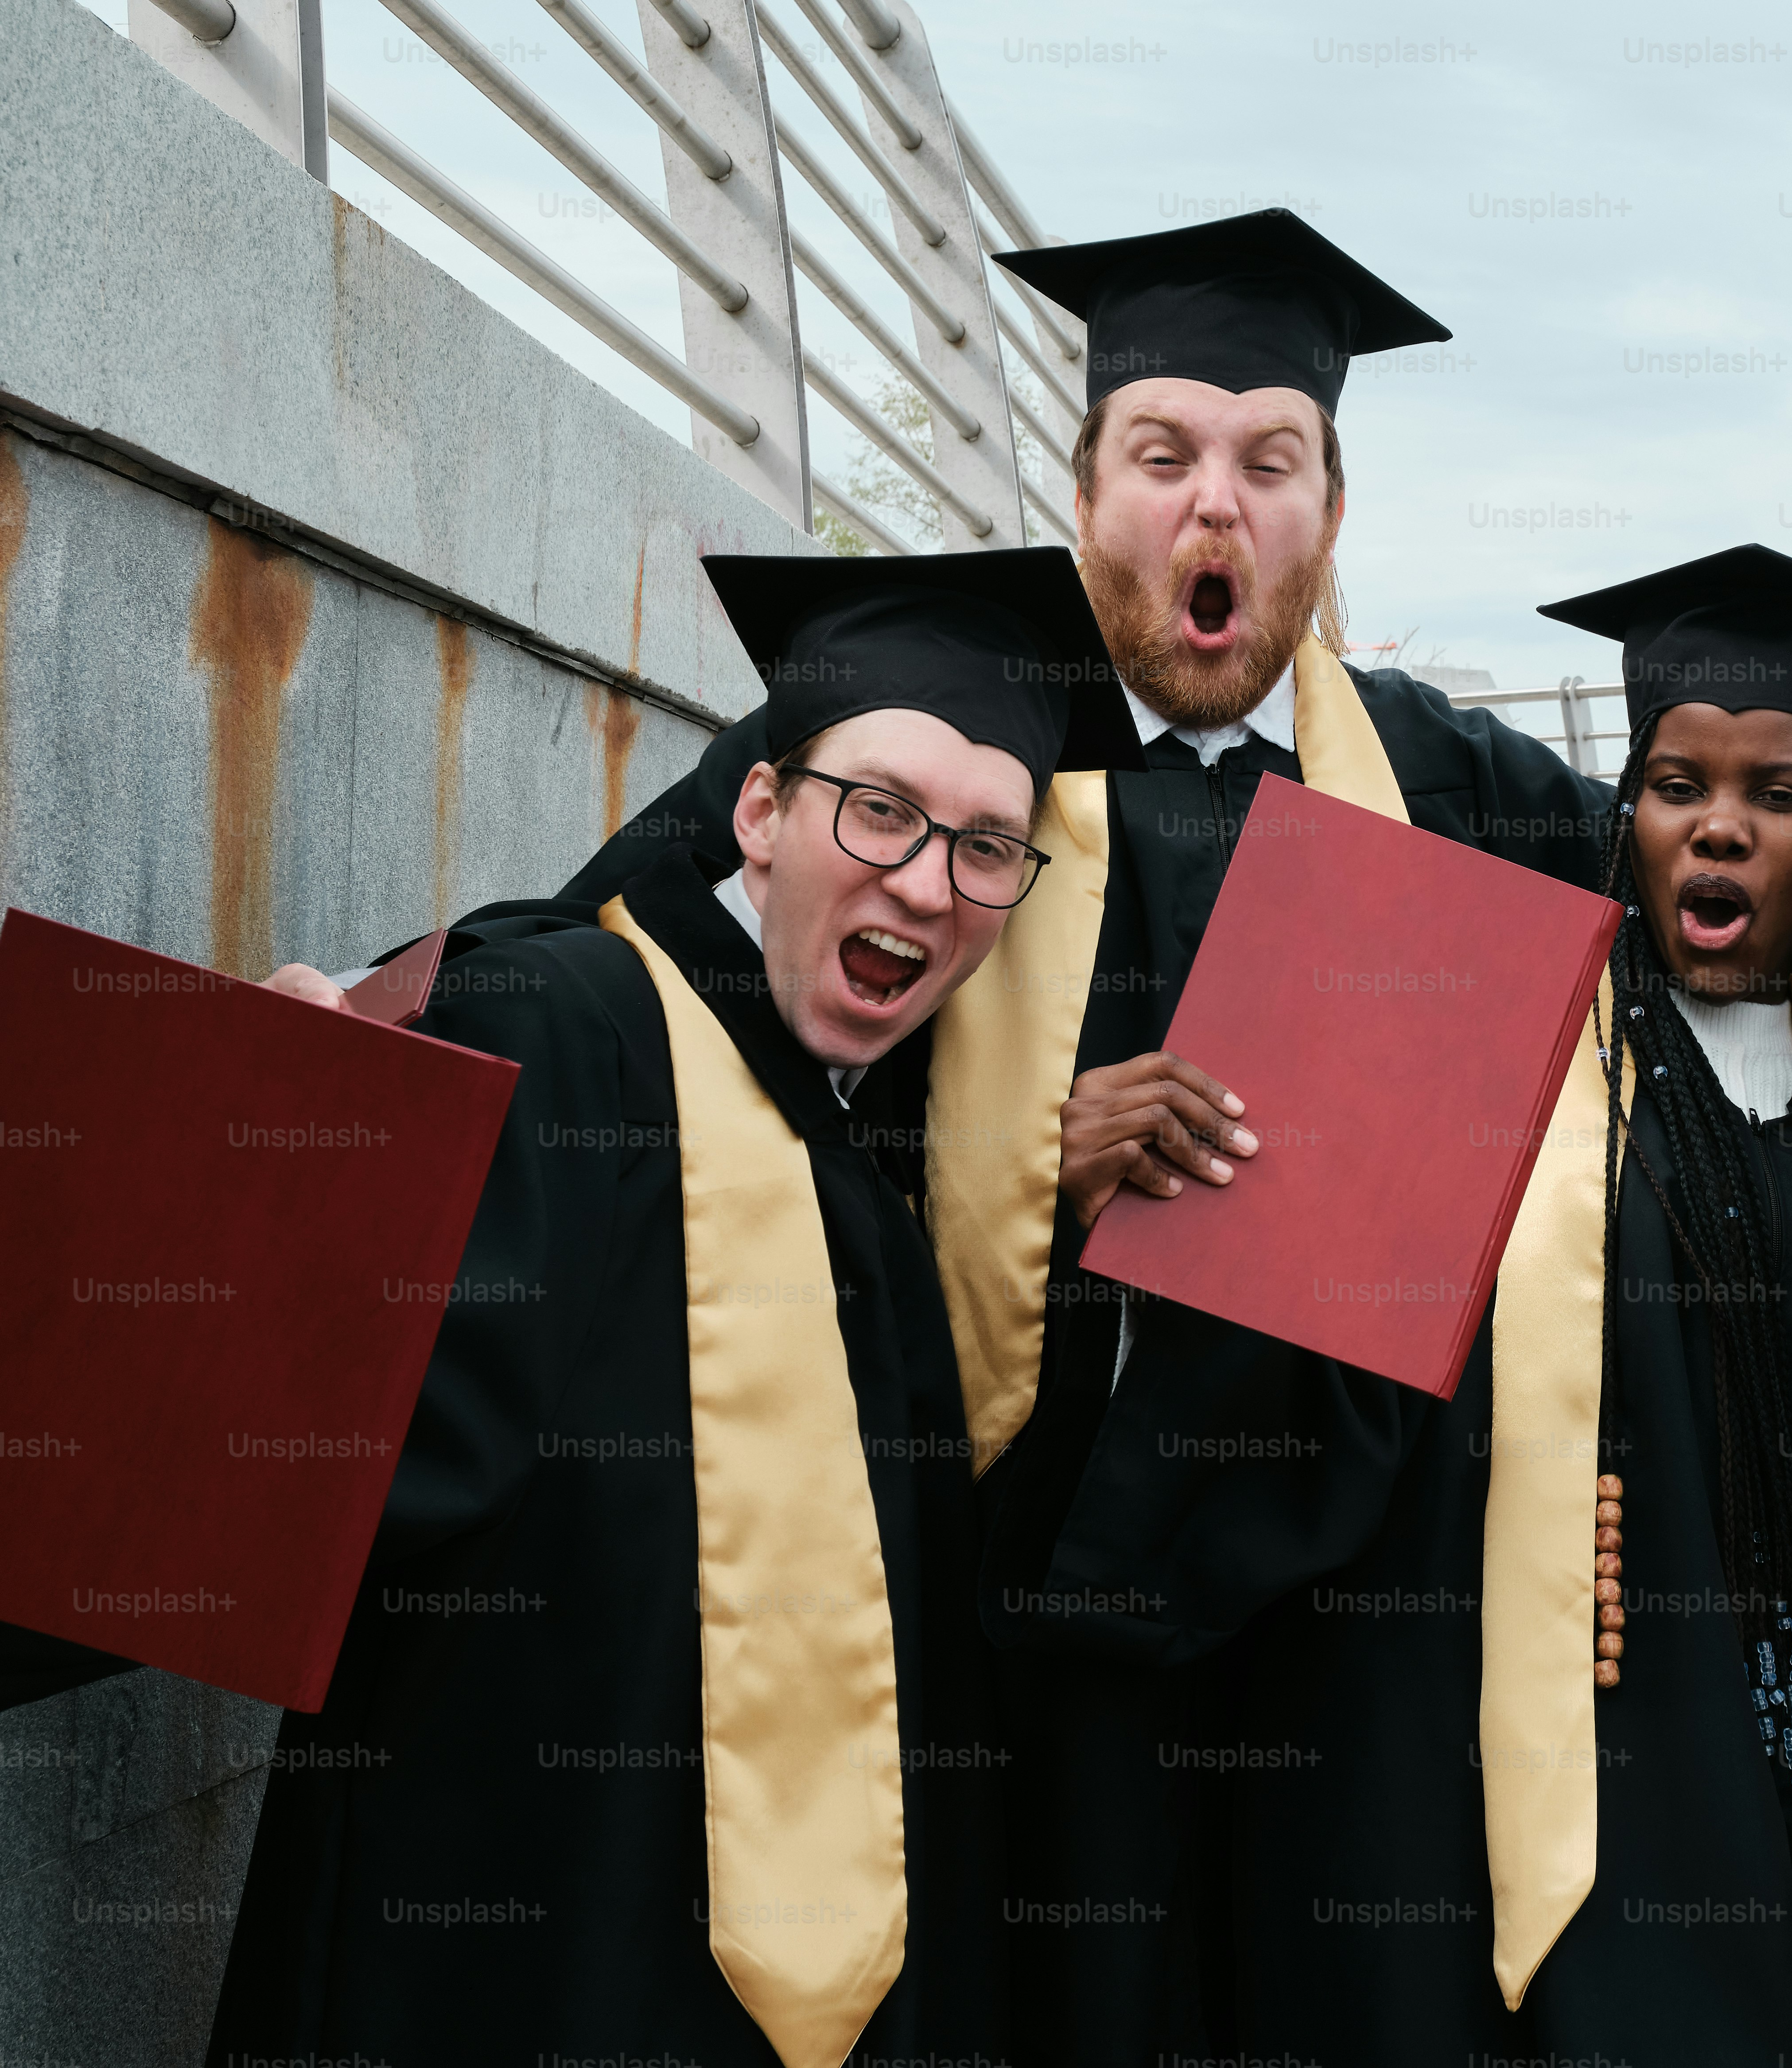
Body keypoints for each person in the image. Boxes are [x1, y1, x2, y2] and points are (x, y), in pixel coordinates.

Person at [485, 209, 1606, 2063]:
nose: (1214, 512)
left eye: (1271, 464)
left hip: (1357, 1610)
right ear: (1085, 493)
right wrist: (1024, 1167)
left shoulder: (1460, 794)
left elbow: (1733, 1001)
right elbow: (644, 992)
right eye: (1161, 459)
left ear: (1333, 510)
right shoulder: (940, 734)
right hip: (1012, 1587)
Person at [1016, 545, 1792, 2063]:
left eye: (1778, 790)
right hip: (1517, 1761)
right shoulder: (1497, 1042)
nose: (1718, 823)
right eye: (1675, 781)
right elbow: (1293, 1361)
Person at [202, 548, 1131, 2066]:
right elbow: (309, 1467)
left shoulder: (866, 1191)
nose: (925, 880)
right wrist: (274, 1182)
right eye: (881, 808)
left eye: (987, 848)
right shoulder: (555, 1022)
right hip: (522, 1946)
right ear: (761, 811)